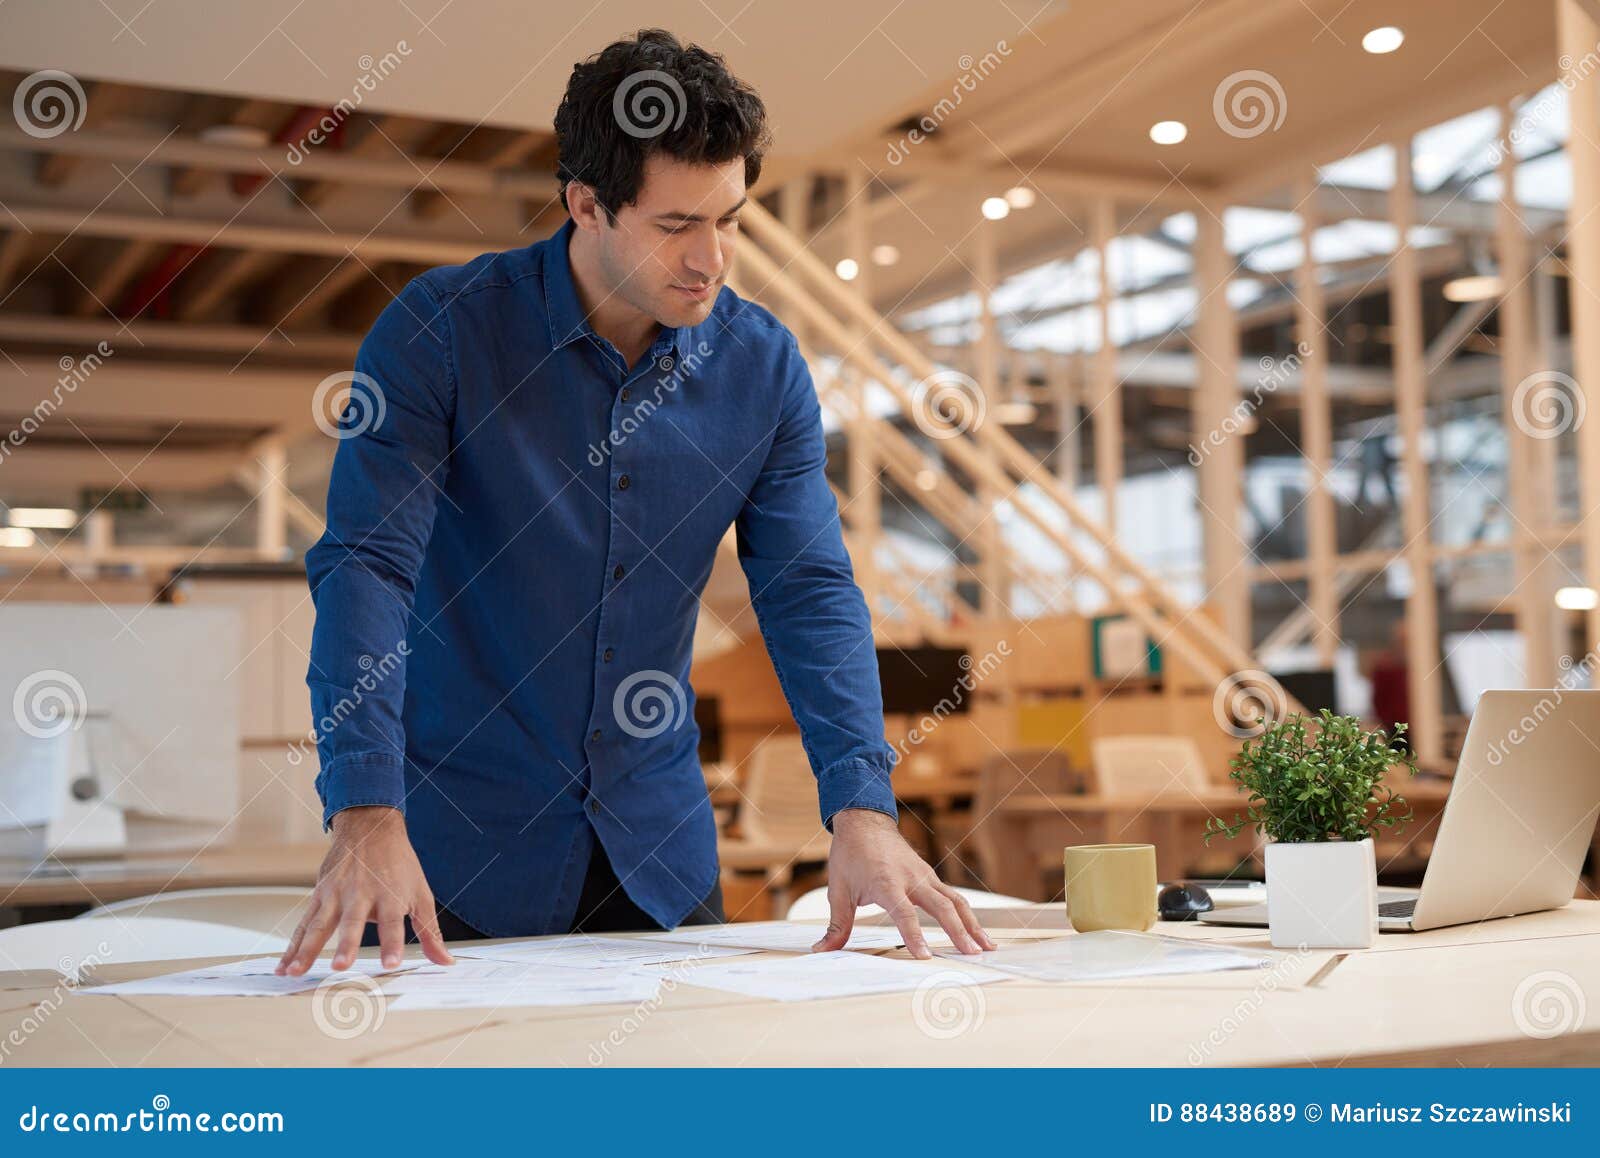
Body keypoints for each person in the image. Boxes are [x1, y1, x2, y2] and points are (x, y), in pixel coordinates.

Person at [277, 29, 993, 977]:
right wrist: (365, 806)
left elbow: (809, 589)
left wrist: (862, 808)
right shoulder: (441, 333)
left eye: (732, 219)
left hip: (657, 858)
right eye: (674, 226)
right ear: (586, 205)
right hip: (449, 865)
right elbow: (367, 567)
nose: (711, 259)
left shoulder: (763, 367)